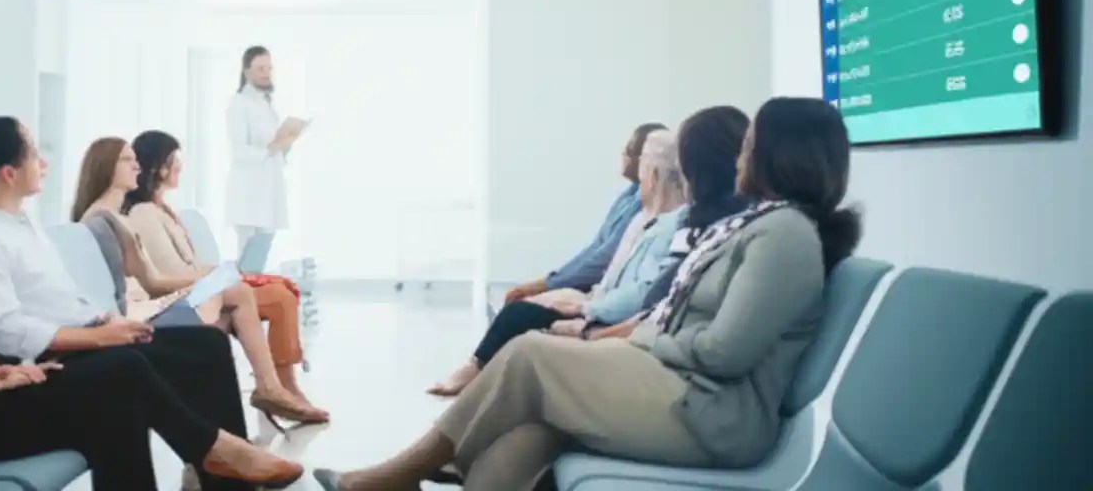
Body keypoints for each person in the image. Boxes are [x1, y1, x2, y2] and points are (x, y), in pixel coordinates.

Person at [313, 97, 862, 490]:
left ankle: (399, 475)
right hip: (683, 388)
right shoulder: (756, 226)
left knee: (530, 354)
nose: (740, 155)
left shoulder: (785, 235)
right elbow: (691, 327)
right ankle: (408, 477)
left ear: (779, 155)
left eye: (750, 144)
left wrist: (646, 341)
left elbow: (724, 352)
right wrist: (645, 340)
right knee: (529, 431)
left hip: (714, 415)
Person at [0, 114, 302, 491]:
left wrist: (1, 375)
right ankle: (214, 449)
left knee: (121, 400)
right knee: (121, 375)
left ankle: (222, 463)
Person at [76, 133, 326, 425]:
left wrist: (214, 279)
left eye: (136, 159)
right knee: (237, 296)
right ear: (107, 167)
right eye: (128, 160)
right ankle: (267, 389)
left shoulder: (115, 217)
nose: (137, 166)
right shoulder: (110, 219)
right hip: (145, 309)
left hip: (151, 301)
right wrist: (210, 280)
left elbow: (153, 279)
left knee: (235, 301)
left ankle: (252, 405)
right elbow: (151, 285)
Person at [427, 127, 680, 396]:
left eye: (639, 161)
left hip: (607, 314)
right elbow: (601, 256)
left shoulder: (668, 225)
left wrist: (588, 308)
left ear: (652, 174)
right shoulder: (643, 214)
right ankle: (484, 377)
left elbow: (641, 290)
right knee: (519, 310)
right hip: (599, 301)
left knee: (519, 314)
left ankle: (480, 375)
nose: (626, 159)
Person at [551, 105, 751, 338]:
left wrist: (590, 330)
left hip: (658, 354)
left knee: (528, 345)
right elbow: (661, 305)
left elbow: (656, 301)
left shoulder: (703, 227)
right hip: (643, 339)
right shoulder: (707, 224)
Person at [498, 122, 666, 306]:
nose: (623, 155)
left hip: (599, 294)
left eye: (629, 149)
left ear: (646, 161)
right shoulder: (628, 197)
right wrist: (548, 281)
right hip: (592, 291)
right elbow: (594, 249)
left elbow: (602, 261)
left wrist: (545, 285)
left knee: (517, 311)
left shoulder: (644, 206)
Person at [226, 45, 298, 272]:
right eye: (260, 68)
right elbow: (239, 151)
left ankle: (258, 302)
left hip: (268, 191)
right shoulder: (239, 104)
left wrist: (284, 145)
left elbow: (272, 148)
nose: (266, 73)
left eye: (269, 68)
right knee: (249, 261)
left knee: (261, 255)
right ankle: (244, 304)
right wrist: (270, 149)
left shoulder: (265, 103)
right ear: (247, 72)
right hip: (249, 195)